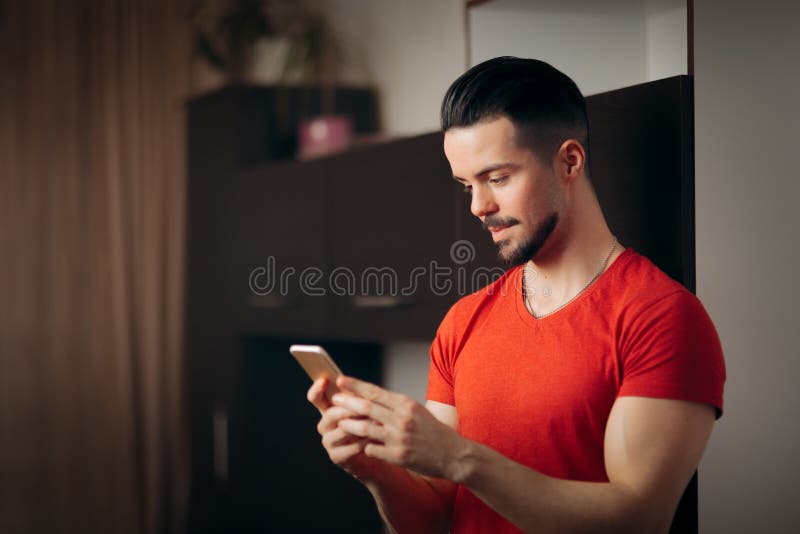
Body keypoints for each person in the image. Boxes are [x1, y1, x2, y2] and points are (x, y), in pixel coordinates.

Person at [306, 57, 726, 534]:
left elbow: (638, 518)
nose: (479, 206)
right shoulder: (463, 321)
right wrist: (376, 471)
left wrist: (461, 459)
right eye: (467, 184)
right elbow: (433, 514)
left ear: (569, 160)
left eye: (497, 178)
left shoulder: (660, 317)